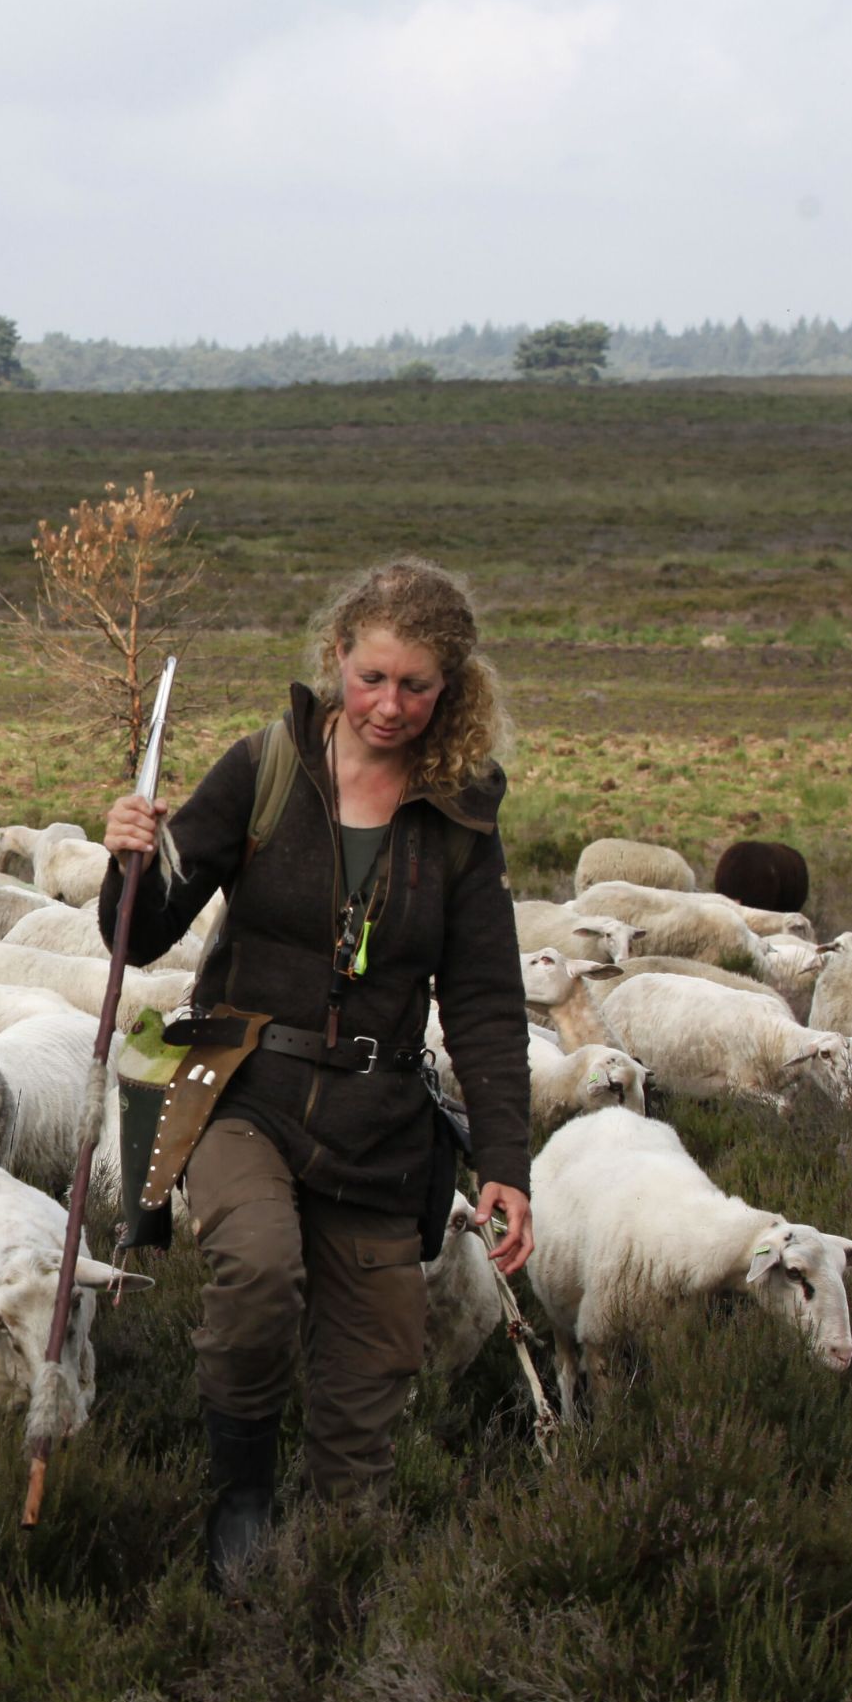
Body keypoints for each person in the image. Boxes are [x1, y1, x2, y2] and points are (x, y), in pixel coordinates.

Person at [100, 557, 533, 1585]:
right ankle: (240, 1499)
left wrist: (505, 1161)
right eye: (373, 677)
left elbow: (483, 1001)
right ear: (338, 658)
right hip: (244, 1088)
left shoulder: (460, 820)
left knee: (372, 1372)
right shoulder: (264, 769)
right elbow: (144, 934)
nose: (389, 706)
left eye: (417, 686)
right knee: (256, 1271)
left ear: (451, 688)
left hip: (381, 1123)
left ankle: (339, 1573)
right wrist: (128, 859)